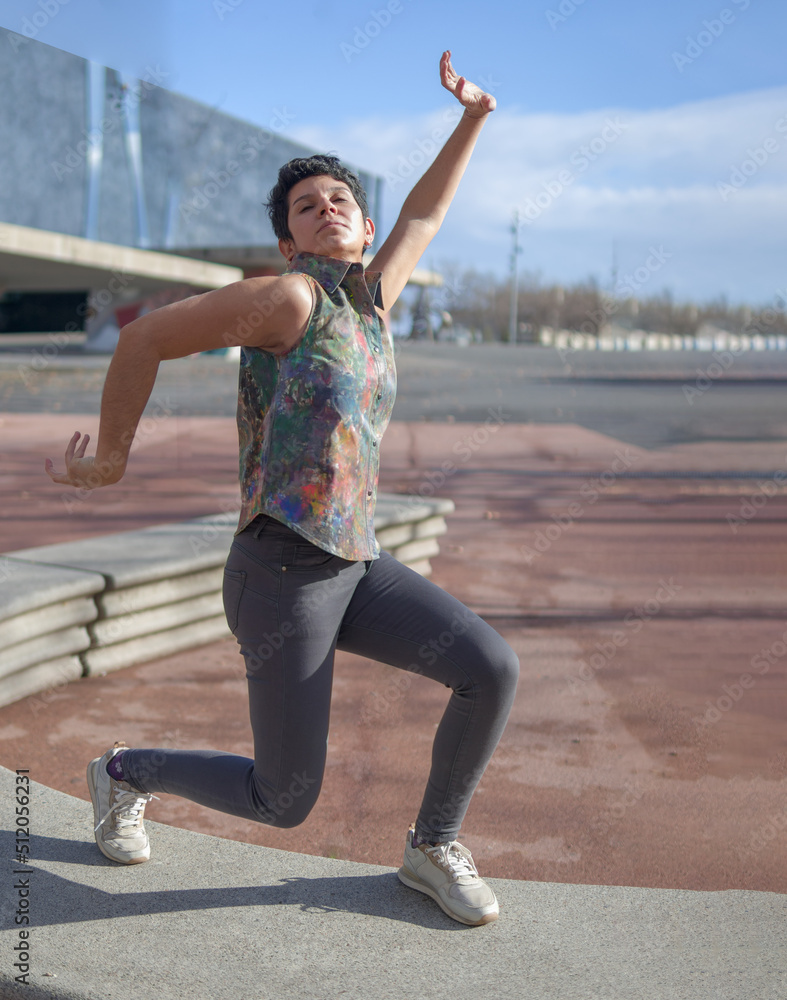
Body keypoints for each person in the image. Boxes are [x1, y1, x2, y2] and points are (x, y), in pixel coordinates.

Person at [46, 51, 519, 927]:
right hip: (281, 572)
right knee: (284, 798)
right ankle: (122, 773)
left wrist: (472, 117)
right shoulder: (291, 299)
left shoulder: (373, 301)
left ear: (364, 227)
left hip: (358, 565)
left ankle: (431, 846)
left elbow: (425, 211)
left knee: (490, 669)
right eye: (306, 205)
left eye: (340, 198)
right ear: (288, 242)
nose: (326, 206)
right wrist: (109, 461)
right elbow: (144, 339)